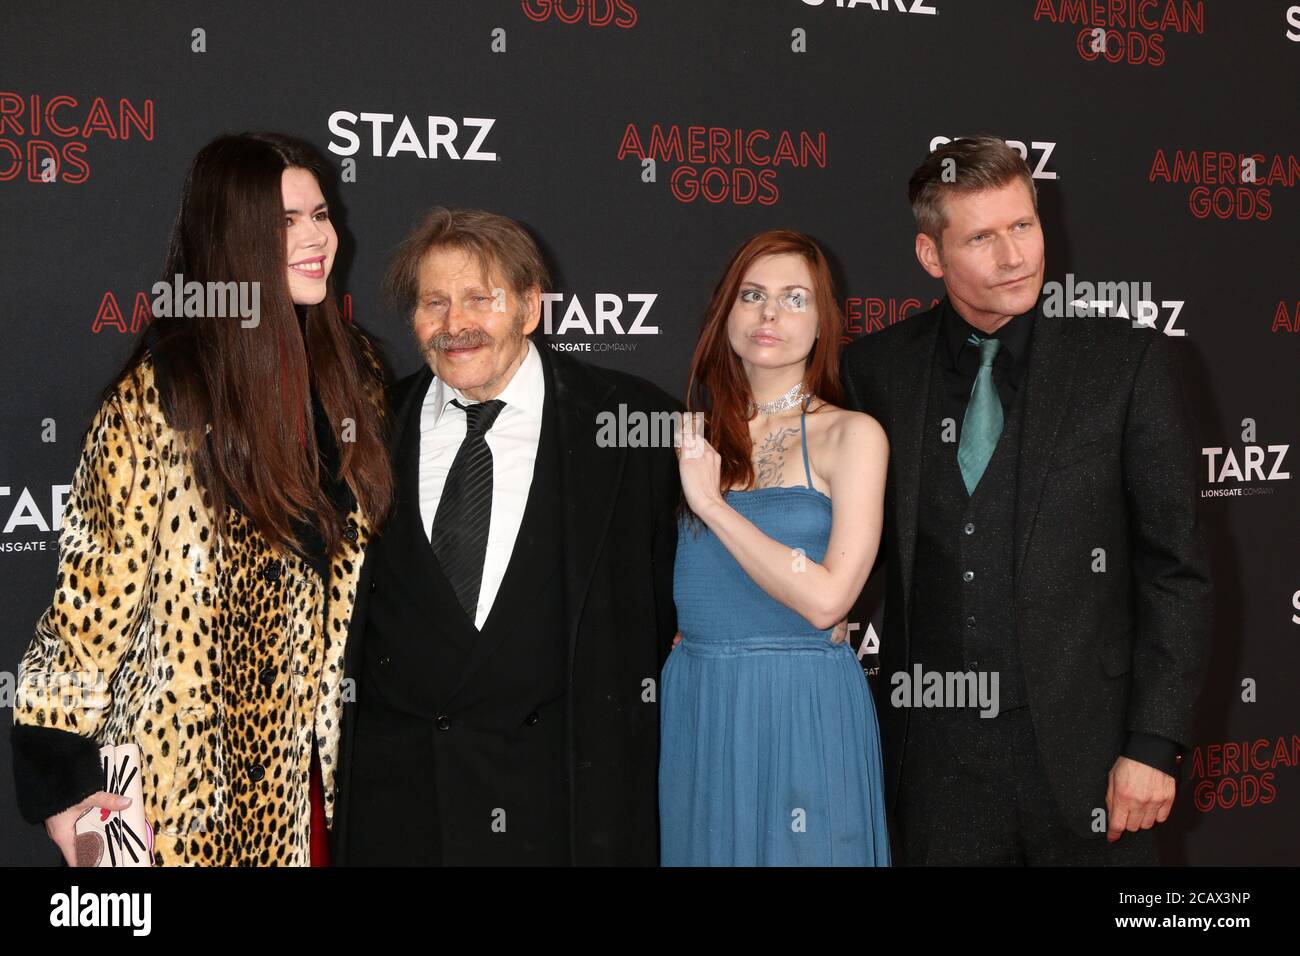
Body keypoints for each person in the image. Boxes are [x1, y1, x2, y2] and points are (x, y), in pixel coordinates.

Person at [9, 132, 393, 866]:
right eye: (287, 222)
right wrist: (58, 777)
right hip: (190, 796)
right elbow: (89, 605)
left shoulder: (359, 375)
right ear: (235, 239)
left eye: (321, 214)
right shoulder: (162, 399)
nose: (318, 237)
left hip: (330, 777)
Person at [839, 135, 1212, 865]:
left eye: (1023, 226)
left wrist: (1153, 743)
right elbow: (838, 537)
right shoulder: (875, 370)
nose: (1015, 257)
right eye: (982, 237)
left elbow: (1177, 568)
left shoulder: (1125, 364)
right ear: (931, 256)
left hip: (1094, 758)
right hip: (935, 766)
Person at [331, 207, 680, 865]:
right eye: (434, 302)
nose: (454, 324)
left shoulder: (637, 427)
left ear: (529, 307)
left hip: (568, 806)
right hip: (400, 807)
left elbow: (678, 592)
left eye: (479, 300)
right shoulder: (366, 429)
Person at [659, 229, 891, 866]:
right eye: (753, 295)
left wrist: (711, 506)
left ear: (823, 323)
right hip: (701, 701)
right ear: (725, 312)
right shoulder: (693, 436)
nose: (769, 314)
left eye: (795, 299)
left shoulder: (852, 435)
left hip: (802, 702)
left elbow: (827, 601)